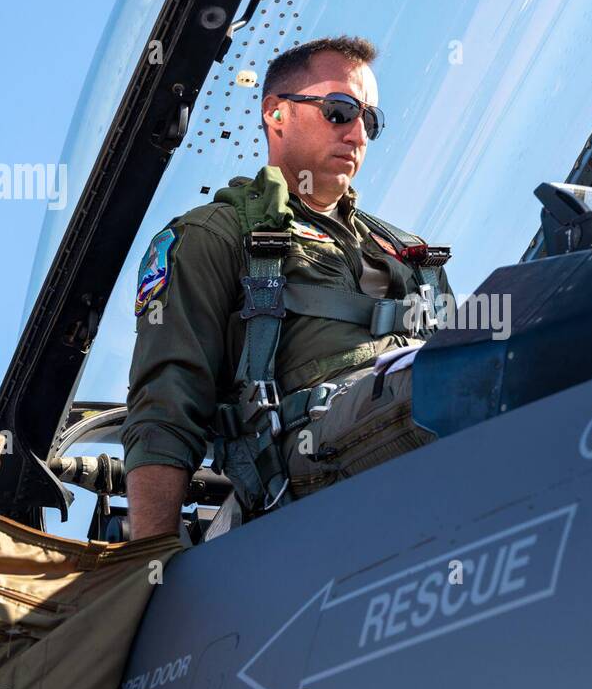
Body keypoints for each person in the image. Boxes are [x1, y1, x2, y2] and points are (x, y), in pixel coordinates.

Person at [121, 35, 453, 540]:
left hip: (419, 427)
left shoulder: (406, 252)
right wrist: (148, 563)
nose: (358, 134)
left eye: (371, 120)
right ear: (276, 114)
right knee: (457, 382)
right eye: (340, 111)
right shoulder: (215, 234)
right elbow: (166, 406)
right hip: (307, 456)